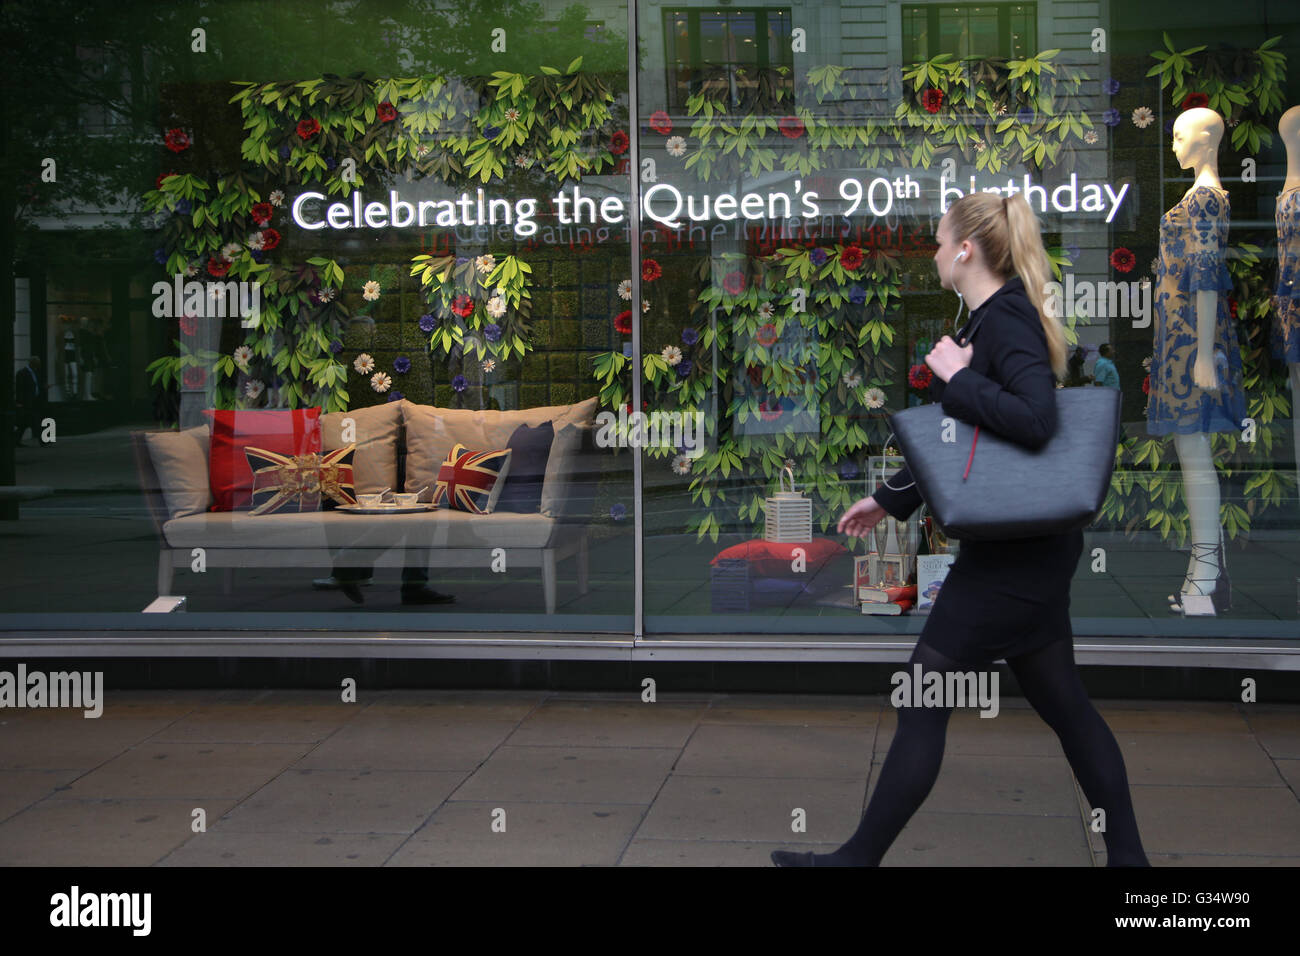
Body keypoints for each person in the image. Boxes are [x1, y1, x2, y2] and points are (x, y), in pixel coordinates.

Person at [771, 192, 1149, 867]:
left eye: (942, 241)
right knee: (1065, 706)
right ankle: (1130, 861)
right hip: (1026, 555)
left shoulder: (1005, 322)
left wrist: (954, 376)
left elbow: (1034, 421)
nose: (936, 252)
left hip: (1012, 564)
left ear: (968, 249)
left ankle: (856, 861)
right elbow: (973, 445)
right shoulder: (989, 322)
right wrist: (891, 501)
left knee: (924, 692)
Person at [13, 356, 44, 446]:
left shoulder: (34, 372)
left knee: (24, 424)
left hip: (34, 401)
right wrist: (19, 402)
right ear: (32, 363)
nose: (38, 365)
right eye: (37, 363)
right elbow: (20, 388)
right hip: (26, 402)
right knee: (35, 421)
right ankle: (43, 441)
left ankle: (15, 440)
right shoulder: (22, 373)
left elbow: (35, 386)